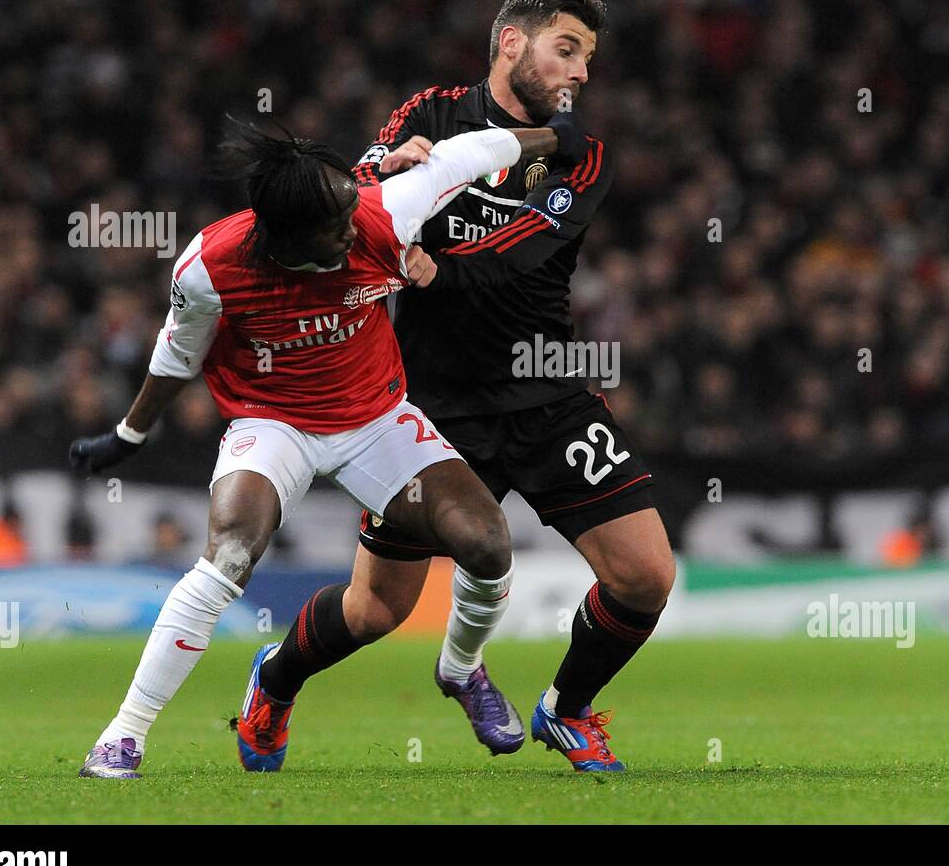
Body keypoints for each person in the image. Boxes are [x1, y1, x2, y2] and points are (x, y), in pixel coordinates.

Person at [69, 112, 586, 778]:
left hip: (375, 417)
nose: (351, 232)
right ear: (282, 239)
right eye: (333, 228)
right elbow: (178, 354)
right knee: (229, 550)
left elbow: (471, 152)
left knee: (487, 542)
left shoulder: (383, 212)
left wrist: (558, 142)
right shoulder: (209, 267)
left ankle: (460, 670)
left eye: (349, 216)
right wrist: (129, 432)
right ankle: (123, 735)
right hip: (272, 421)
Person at [348, 0, 677, 772]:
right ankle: (275, 682)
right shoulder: (431, 114)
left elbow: (525, 248)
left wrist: (435, 272)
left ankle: (566, 709)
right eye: (567, 49)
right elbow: (355, 194)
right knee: (374, 609)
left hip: (547, 392)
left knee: (646, 575)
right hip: (433, 405)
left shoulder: (583, 155)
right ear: (511, 44)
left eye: (589, 57)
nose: (582, 73)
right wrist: (386, 173)